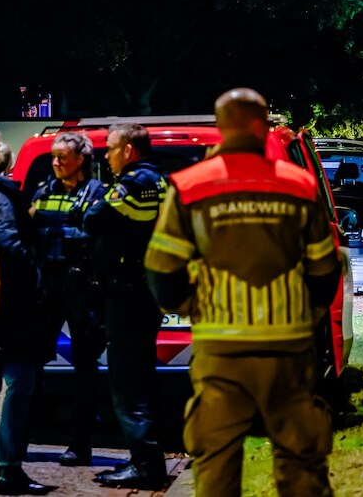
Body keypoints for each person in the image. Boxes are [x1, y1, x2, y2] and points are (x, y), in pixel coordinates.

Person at [145, 88, 340, 497]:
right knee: (302, 463)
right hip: (287, 349)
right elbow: (325, 269)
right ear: (262, 125)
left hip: (221, 350)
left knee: (216, 463)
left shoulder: (190, 186)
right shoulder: (299, 185)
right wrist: (307, 314)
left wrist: (191, 306)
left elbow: (162, 269)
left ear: (220, 127)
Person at [81, 123, 168, 488]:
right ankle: (147, 459)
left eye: (112, 149)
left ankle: (145, 465)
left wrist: (94, 205)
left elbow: (93, 218)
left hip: (127, 292)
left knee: (127, 380)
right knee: (142, 376)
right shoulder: (161, 181)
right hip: (148, 290)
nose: (107, 157)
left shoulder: (131, 185)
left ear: (129, 150)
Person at [0, 141, 52, 494]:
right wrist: (32, 274)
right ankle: (9, 466)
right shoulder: (2, 195)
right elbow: (6, 243)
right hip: (10, 306)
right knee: (20, 383)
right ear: (6, 168)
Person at [29, 131, 105, 466]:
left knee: (86, 367)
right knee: (32, 362)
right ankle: (21, 437)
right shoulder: (44, 192)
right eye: (53, 156)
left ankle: (80, 443)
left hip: (83, 289)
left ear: (82, 160)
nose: (56, 162)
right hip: (48, 287)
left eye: (62, 157)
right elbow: (29, 231)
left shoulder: (99, 194)